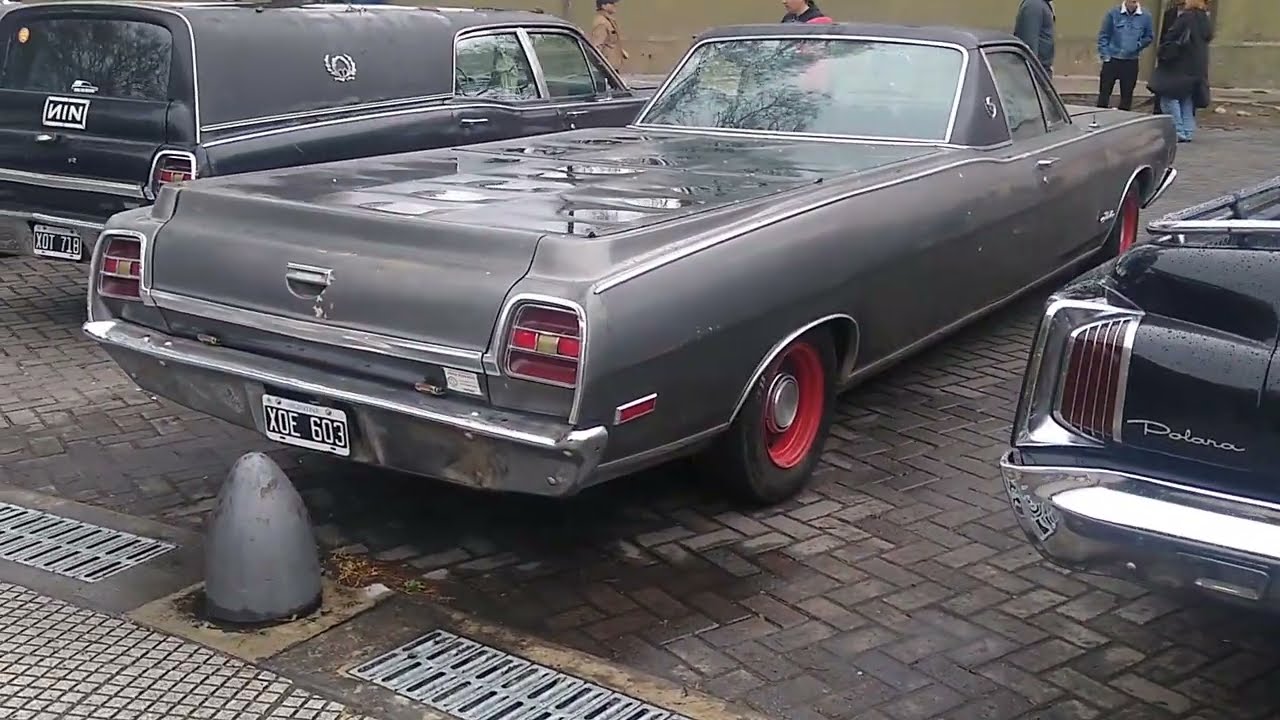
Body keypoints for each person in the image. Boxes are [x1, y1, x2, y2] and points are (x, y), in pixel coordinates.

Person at [1148, 0, 1213, 142]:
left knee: (1169, 98)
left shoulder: (1186, 18)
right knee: (1186, 99)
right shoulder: (1205, 20)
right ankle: (1188, 131)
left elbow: (1171, 37)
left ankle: (1178, 130)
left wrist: (1164, 52)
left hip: (1179, 65)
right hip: (1196, 68)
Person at [1096, 1, 1154, 111]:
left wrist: (1137, 45)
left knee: (1127, 95)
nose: (1132, 3)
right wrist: (1105, 55)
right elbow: (1104, 35)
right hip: (1113, 58)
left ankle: (1123, 117)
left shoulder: (1145, 16)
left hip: (1131, 61)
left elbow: (1149, 37)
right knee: (1104, 93)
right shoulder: (1113, 13)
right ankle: (1100, 116)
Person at [1152, 0, 1184, 114]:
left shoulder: (1193, 16)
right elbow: (1164, 35)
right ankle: (1157, 110)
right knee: (1162, 85)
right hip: (1167, 55)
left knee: (1176, 89)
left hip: (1183, 58)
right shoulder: (1169, 14)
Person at [1013, 0, 1055, 75]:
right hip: (1036, 76)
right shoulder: (1034, 6)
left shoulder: (1041, 5)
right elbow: (1029, 50)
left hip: (1041, 73)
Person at [590, 0, 627, 72]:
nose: (615, 5)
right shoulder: (601, 23)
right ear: (603, 6)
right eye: (611, 3)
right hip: (607, 68)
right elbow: (597, 47)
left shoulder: (608, 21)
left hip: (612, 67)